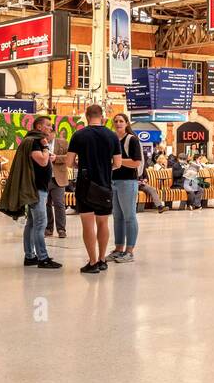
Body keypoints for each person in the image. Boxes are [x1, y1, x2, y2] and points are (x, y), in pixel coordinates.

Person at [67, 106, 123, 273]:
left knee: (88, 224)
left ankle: (92, 262)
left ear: (87, 116)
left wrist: (79, 164)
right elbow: (118, 164)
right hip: (105, 184)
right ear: (102, 116)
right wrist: (105, 168)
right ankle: (102, 259)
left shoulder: (79, 135)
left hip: (85, 184)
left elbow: (69, 162)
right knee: (103, 222)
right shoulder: (112, 136)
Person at [10, 116, 60, 270]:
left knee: (31, 223)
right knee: (40, 223)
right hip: (36, 189)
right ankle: (43, 258)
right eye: (48, 125)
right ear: (39, 127)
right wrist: (45, 148)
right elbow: (42, 161)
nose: (50, 128)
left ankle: (30, 256)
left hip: (37, 188)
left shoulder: (31, 140)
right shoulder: (36, 141)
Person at [107, 113, 146, 262]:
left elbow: (136, 163)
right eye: (115, 121)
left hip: (128, 181)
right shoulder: (112, 140)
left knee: (129, 216)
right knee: (118, 217)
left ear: (127, 123)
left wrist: (118, 160)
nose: (118, 123)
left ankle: (129, 251)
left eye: (121, 121)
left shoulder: (132, 140)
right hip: (114, 181)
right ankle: (118, 249)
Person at [44, 128, 69, 239]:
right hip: (44, 179)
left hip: (58, 178)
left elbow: (69, 157)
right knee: (46, 205)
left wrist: (56, 158)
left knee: (59, 204)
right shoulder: (40, 143)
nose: (46, 136)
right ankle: (48, 229)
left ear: (53, 133)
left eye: (48, 134)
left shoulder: (63, 142)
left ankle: (61, 229)